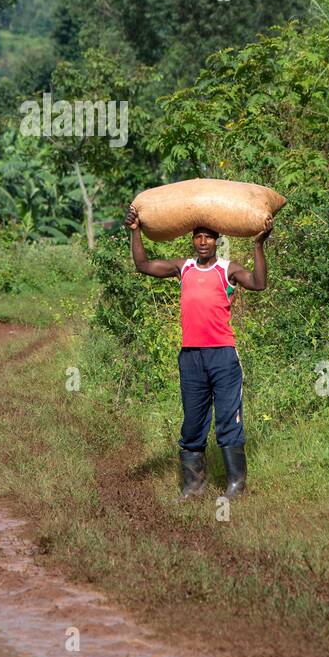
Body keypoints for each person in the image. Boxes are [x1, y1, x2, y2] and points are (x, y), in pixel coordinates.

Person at [123, 207, 272, 500]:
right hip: (191, 357)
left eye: (208, 237)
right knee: (193, 422)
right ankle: (193, 487)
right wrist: (135, 231)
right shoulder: (184, 268)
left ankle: (235, 486)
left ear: (217, 240)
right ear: (193, 240)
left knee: (228, 420)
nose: (203, 242)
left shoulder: (228, 270)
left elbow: (259, 283)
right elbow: (142, 265)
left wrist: (258, 244)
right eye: (198, 237)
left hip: (223, 357)